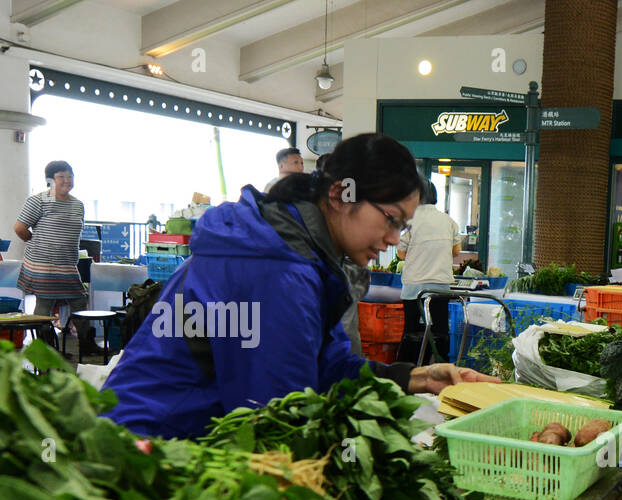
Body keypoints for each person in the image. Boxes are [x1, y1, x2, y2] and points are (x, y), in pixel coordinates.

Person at [104, 133, 493, 440]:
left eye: (402, 226)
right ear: (342, 196)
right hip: (150, 448)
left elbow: (325, 366)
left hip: (188, 439)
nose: (394, 238)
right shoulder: (275, 270)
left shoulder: (302, 257)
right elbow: (276, 416)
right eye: (391, 219)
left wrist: (415, 377)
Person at [11, 160, 100, 358]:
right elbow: (19, 228)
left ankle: (87, 345)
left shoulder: (78, 205)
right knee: (44, 305)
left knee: (79, 303)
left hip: (67, 265)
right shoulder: (38, 201)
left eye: (70, 176)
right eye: (61, 177)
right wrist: (37, 244)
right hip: (42, 265)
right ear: (50, 180)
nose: (67, 181)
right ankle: (45, 353)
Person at [397, 180, 460, 363]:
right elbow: (455, 251)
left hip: (413, 288)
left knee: (412, 331)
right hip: (440, 286)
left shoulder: (410, 221)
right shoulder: (448, 221)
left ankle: (411, 368)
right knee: (440, 331)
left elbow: (401, 254)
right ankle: (439, 367)